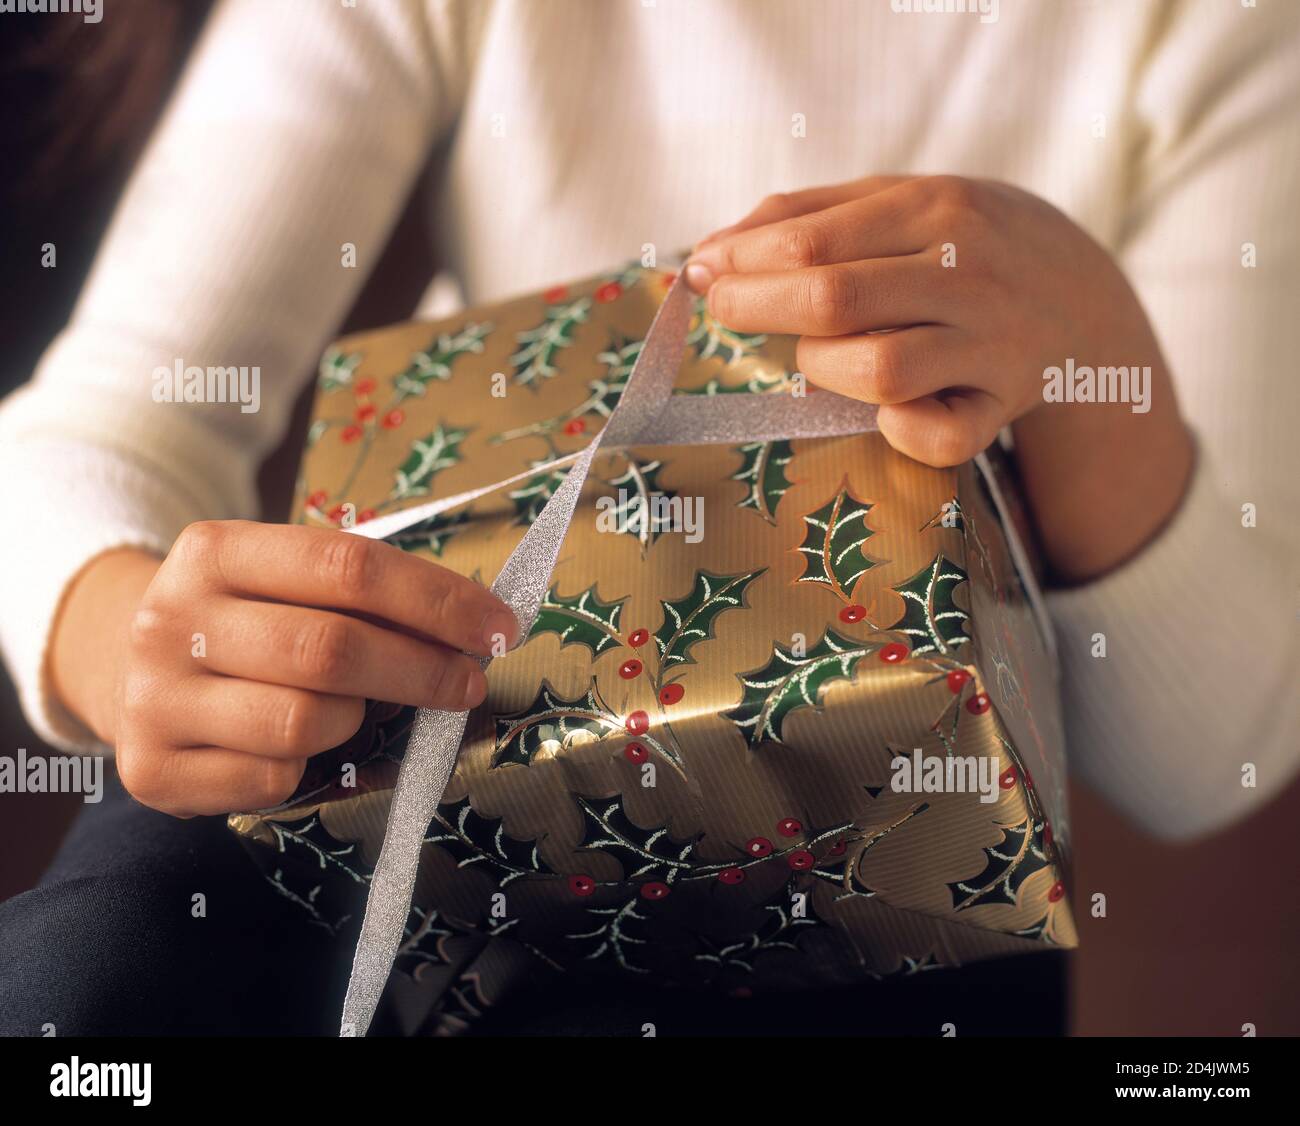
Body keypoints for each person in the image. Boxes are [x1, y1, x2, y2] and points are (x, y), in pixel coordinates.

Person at [1, 0, 1296, 1035]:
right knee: (100, 973)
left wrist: (1088, 353)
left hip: (879, 847)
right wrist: (121, 635)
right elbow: (102, 426)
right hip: (403, 725)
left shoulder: (1221, 26)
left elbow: (1200, 759)